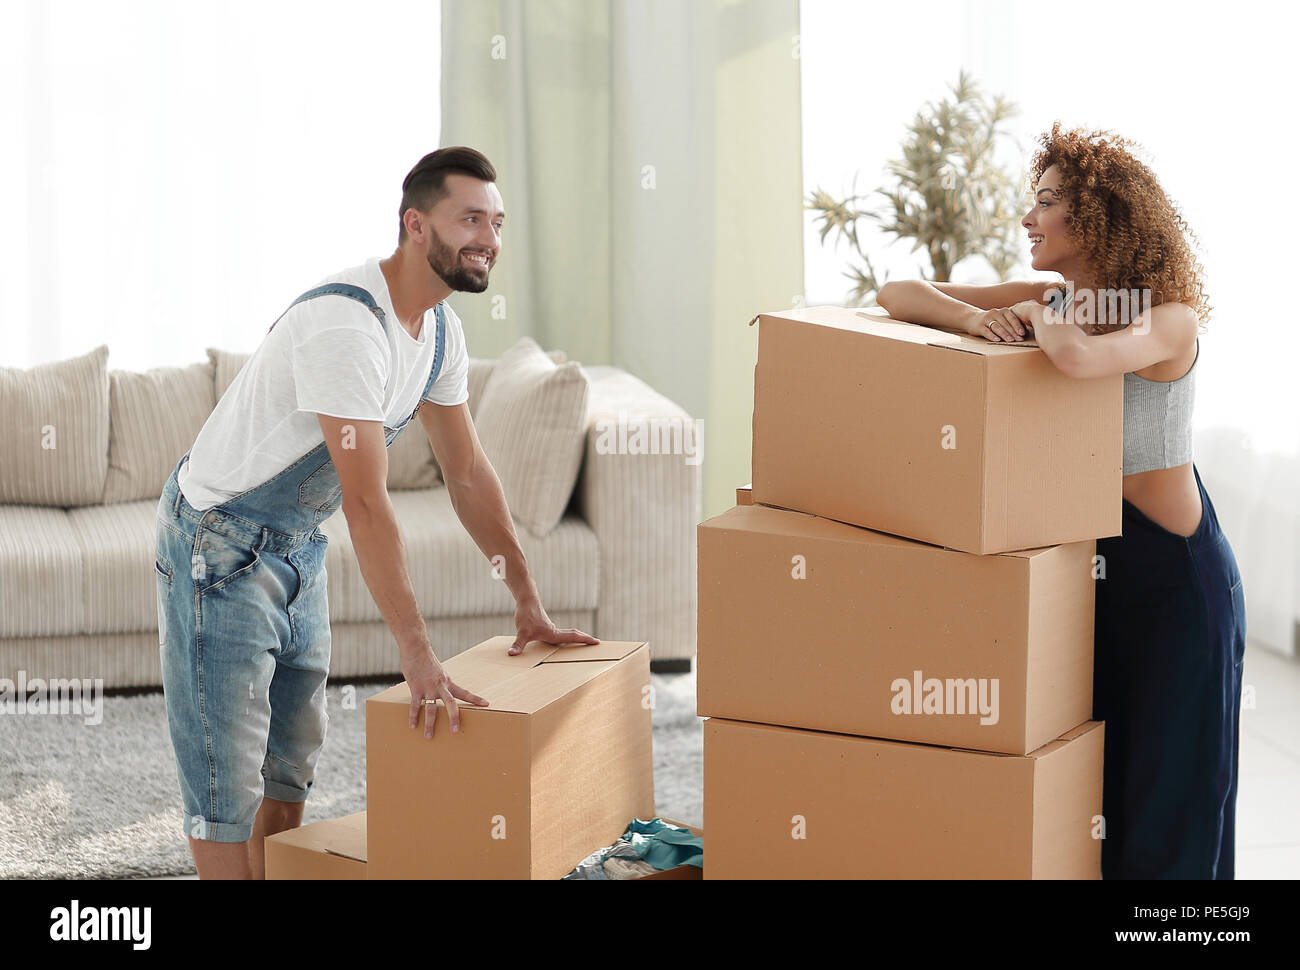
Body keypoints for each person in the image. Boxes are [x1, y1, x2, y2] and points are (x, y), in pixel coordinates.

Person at [154, 146, 599, 879]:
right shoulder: (347, 328)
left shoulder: (440, 333)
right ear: (416, 226)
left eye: (496, 221)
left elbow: (467, 471)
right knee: (222, 781)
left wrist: (527, 599)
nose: (488, 237)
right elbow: (365, 502)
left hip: (297, 542)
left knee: (290, 762)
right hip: (219, 545)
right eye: (469, 219)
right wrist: (417, 654)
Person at [877, 122, 1246, 879]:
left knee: (1170, 803)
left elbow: (1080, 358)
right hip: (1096, 572)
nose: (1027, 218)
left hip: (1175, 585)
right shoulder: (1056, 297)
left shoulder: (1165, 317)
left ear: (1098, 217)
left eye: (1046, 202)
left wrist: (1040, 315)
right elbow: (895, 292)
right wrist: (977, 317)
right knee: (1097, 800)